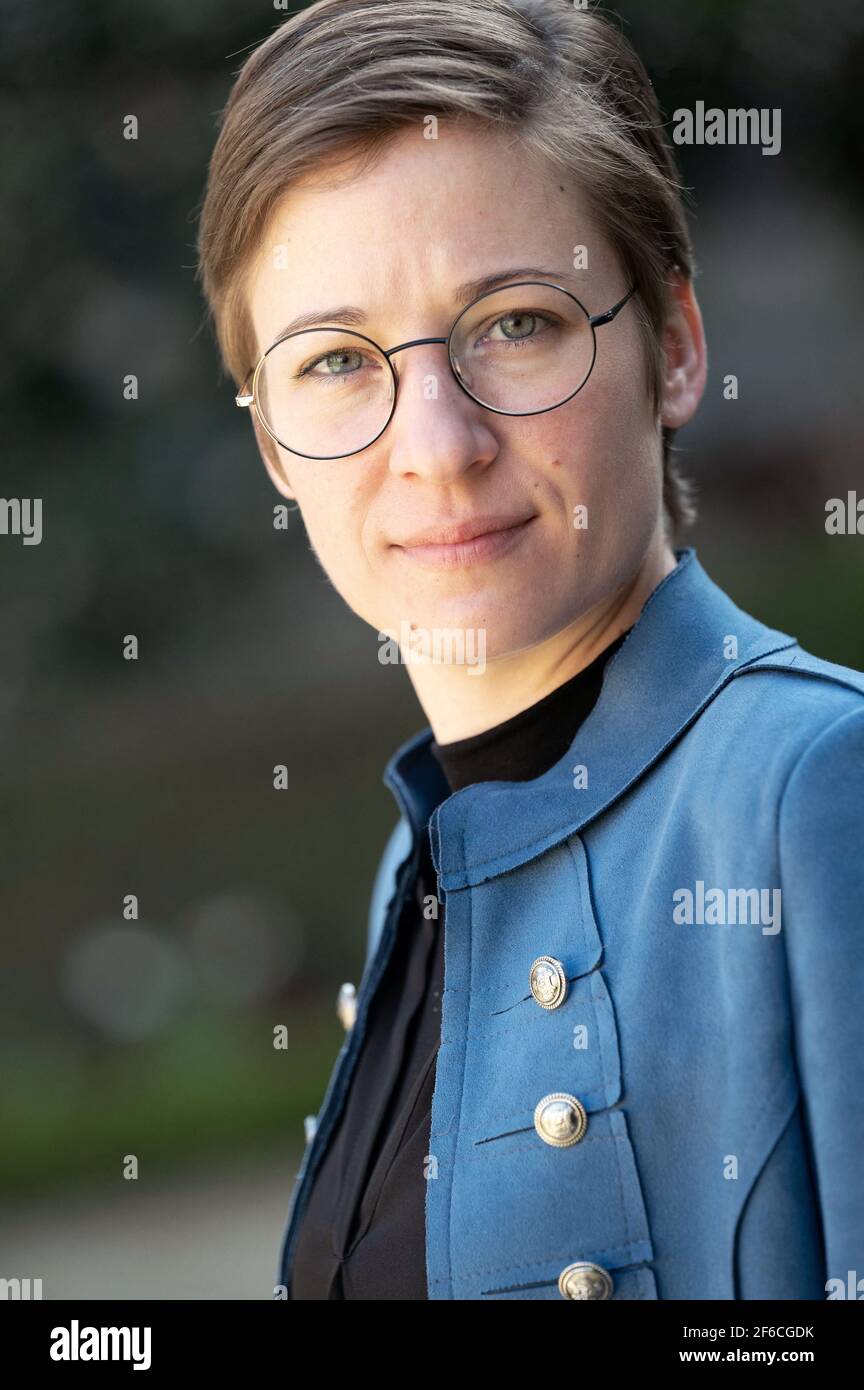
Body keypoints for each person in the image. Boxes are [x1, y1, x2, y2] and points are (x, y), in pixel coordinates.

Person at [196, 0, 864, 1300]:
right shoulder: (429, 845)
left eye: (515, 324)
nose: (437, 443)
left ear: (674, 350)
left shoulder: (820, 789)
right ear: (273, 442)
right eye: (337, 361)